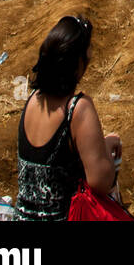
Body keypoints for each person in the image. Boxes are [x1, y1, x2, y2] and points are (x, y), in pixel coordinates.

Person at [15, 15, 123, 221]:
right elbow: (100, 181)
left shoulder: (32, 100)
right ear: (77, 63)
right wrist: (108, 150)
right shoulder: (78, 109)